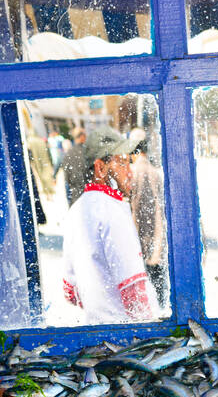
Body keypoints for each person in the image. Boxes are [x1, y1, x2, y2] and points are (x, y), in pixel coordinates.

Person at [62, 127, 157, 323]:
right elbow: (134, 292)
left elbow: (70, 291)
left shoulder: (76, 209)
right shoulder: (113, 211)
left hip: (95, 329)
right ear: (100, 168)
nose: (129, 173)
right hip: (124, 337)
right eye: (122, 164)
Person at [129, 136, 167, 304]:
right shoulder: (155, 172)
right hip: (157, 231)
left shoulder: (132, 171)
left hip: (138, 231)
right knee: (158, 278)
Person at [58, 126, 89, 206]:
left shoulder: (67, 155)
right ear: (82, 137)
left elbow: (67, 181)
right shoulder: (89, 153)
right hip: (89, 195)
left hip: (76, 198)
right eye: (85, 135)